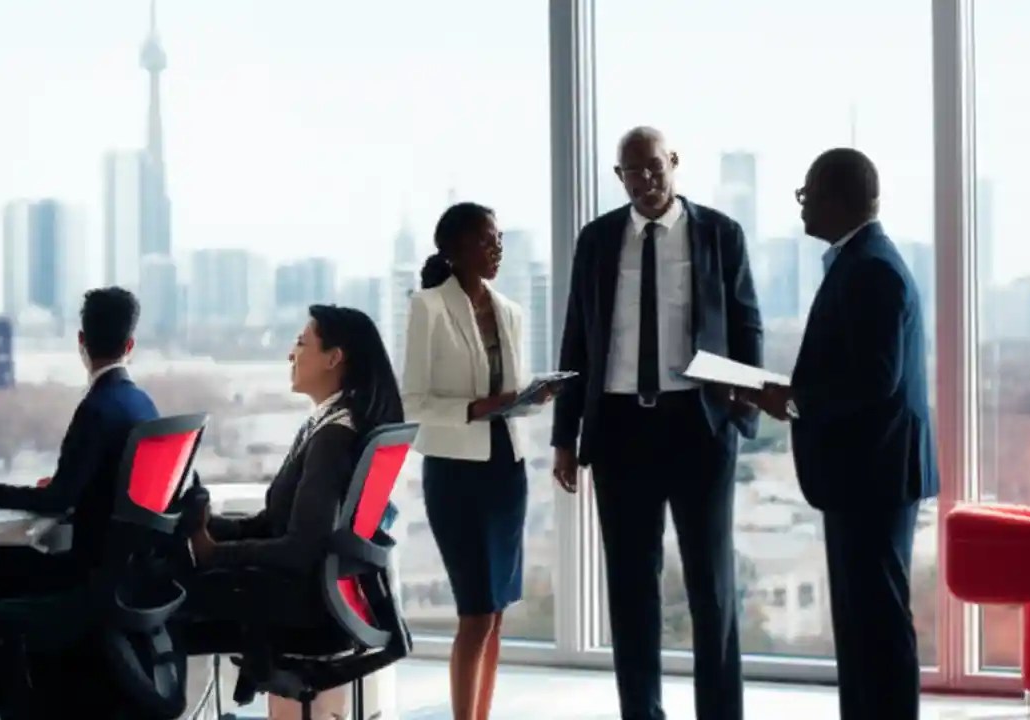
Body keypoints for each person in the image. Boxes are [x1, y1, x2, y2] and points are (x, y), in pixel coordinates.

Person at [552, 127, 762, 720]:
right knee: (630, 586)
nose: (644, 181)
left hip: (699, 426)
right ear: (618, 177)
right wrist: (565, 436)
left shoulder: (719, 234)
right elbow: (577, 339)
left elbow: (746, 325)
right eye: (631, 172)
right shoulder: (597, 240)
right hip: (620, 429)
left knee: (711, 586)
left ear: (673, 161)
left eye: (653, 167)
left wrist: (740, 410)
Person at [747, 148, 938, 720]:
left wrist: (794, 401)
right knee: (861, 624)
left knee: (877, 624)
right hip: (865, 473)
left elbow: (875, 381)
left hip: (873, 475)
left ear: (837, 199)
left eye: (807, 194)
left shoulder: (871, 268)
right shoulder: (860, 261)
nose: (802, 206)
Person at [401, 202, 555, 720]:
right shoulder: (427, 307)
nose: (497, 249)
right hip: (455, 473)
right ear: (455, 248)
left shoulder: (511, 310)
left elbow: (510, 393)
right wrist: (478, 408)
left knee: (496, 612)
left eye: (500, 239)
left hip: (506, 470)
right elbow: (413, 403)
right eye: (486, 240)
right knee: (475, 612)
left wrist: (530, 397)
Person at [182, 304, 404, 648]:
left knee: (165, 598)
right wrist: (213, 527)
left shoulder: (333, 437)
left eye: (301, 343)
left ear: (333, 358)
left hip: (304, 605)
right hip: (323, 597)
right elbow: (278, 523)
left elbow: (303, 548)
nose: (290, 354)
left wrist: (214, 554)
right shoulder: (336, 422)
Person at [0, 286, 159, 607]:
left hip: (85, 578)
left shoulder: (96, 408)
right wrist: (69, 485)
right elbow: (109, 486)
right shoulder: (143, 405)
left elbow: (57, 502)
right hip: (126, 577)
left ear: (81, 341)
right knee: (2, 561)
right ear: (130, 345)